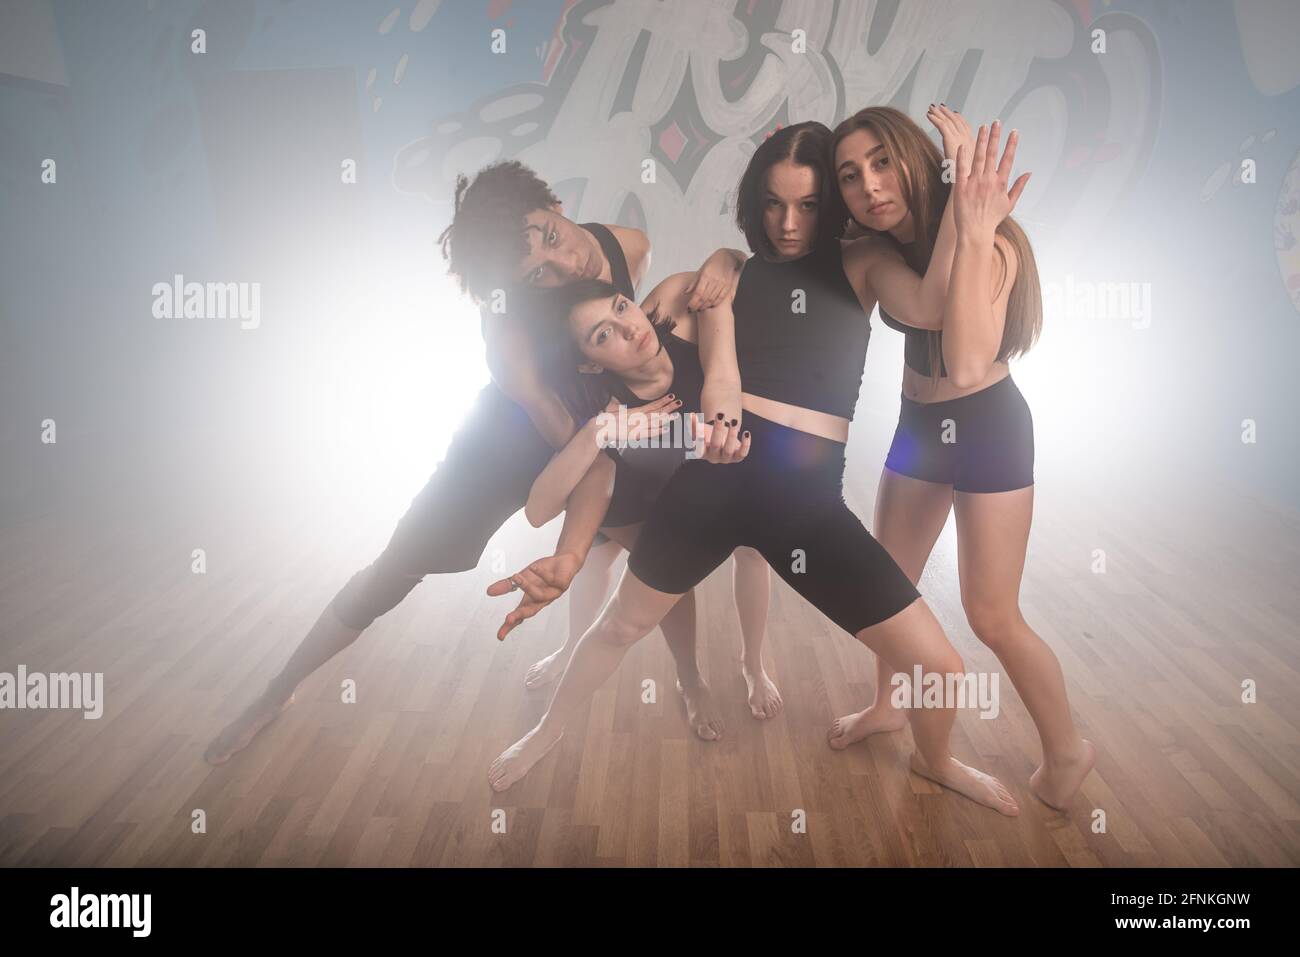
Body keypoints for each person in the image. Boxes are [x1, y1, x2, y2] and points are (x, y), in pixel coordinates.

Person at [486, 122, 1023, 817]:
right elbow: (642, 345)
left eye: (805, 205)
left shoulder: (859, 264)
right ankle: (547, 728)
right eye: (773, 204)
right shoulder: (731, 274)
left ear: (830, 204)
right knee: (620, 627)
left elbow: (928, 303)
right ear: (754, 203)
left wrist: (963, 204)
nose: (789, 223)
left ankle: (936, 756)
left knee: (944, 668)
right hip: (713, 483)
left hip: (806, 505)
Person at [204, 161, 741, 764]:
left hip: (595, 425)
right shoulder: (508, 338)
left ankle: (690, 680)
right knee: (395, 569)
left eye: (552, 238)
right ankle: (276, 692)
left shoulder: (628, 247)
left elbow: (627, 338)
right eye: (537, 272)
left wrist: (724, 260)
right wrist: (578, 525)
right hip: (509, 445)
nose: (564, 267)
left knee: (656, 560)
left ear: (557, 204)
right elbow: (571, 445)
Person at [827, 106, 1095, 809]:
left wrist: (974, 230)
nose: (871, 186)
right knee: (889, 584)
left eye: (882, 162)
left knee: (991, 614)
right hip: (919, 424)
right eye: (851, 175)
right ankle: (887, 703)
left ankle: (1068, 749)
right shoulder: (889, 248)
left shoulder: (992, 237)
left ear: (918, 160)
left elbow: (970, 364)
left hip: (988, 428)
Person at [521, 270, 778, 726]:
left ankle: (753, 665)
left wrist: (726, 257)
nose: (628, 329)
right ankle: (687, 678)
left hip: (702, 477)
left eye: (622, 308)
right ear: (591, 363)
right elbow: (539, 509)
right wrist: (600, 431)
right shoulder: (603, 403)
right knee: (610, 566)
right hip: (636, 492)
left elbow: (742, 271)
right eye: (604, 336)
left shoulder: (687, 333)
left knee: (754, 549)